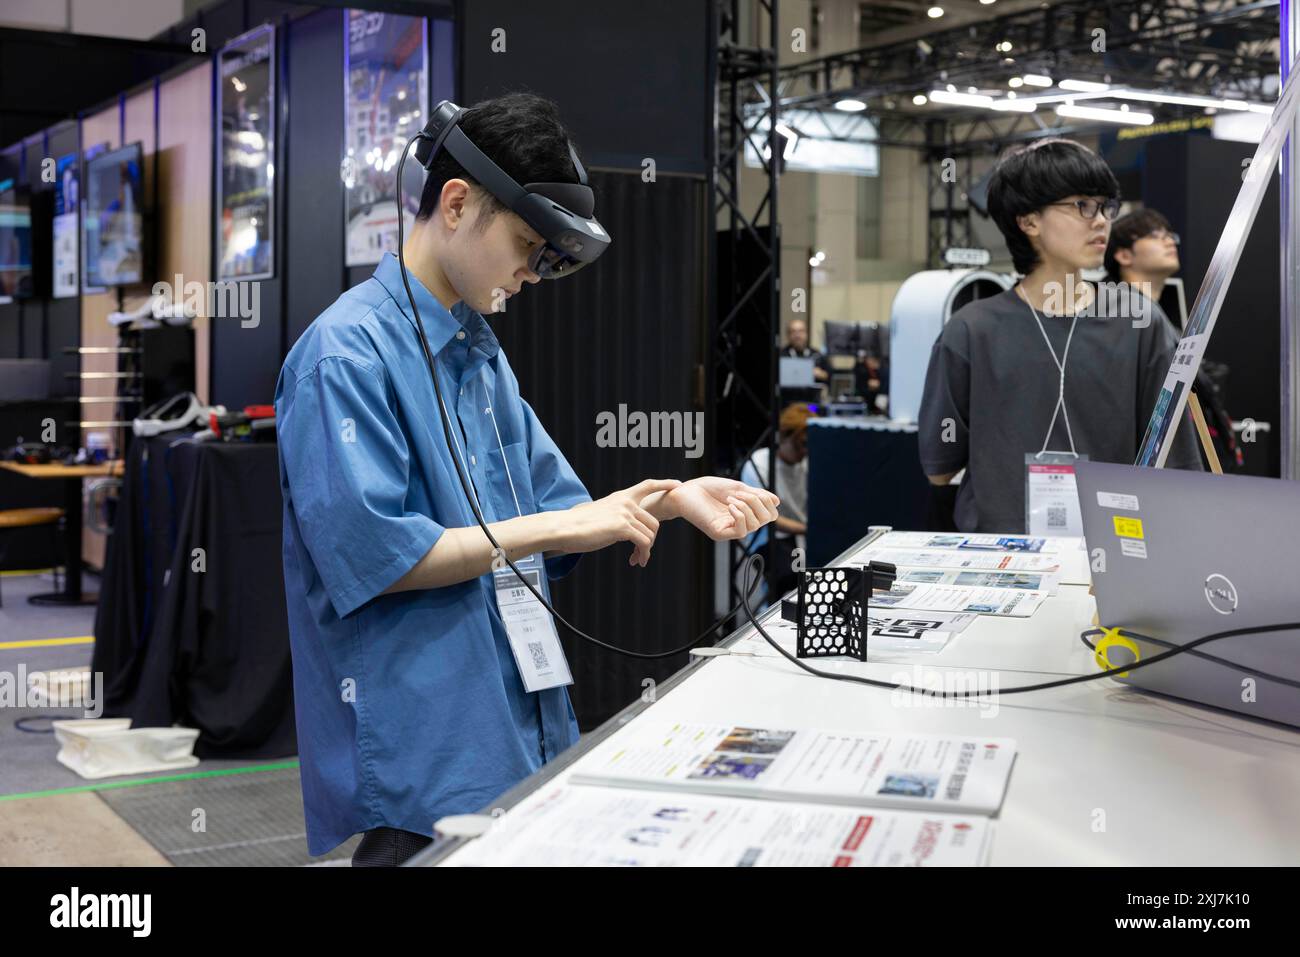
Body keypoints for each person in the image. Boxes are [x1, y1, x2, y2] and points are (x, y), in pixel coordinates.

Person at [275, 93, 780, 866]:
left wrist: (670, 497)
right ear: (455, 203)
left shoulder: (479, 353)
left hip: (521, 726)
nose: (534, 274)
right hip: (430, 757)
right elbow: (383, 559)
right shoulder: (342, 358)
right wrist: (569, 526)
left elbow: (565, 512)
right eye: (525, 244)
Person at [918, 138, 1201, 534]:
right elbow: (940, 464)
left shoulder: (1138, 321)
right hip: (999, 562)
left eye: (1106, 206)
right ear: (1029, 220)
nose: (1101, 219)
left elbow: (1174, 459)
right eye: (1082, 205)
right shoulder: (970, 330)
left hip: (1110, 557)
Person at [739, 403, 817, 602]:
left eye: (808, 445)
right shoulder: (759, 464)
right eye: (800, 444)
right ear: (783, 437)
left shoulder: (807, 464)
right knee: (788, 585)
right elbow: (766, 517)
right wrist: (808, 529)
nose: (804, 451)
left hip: (801, 537)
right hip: (768, 538)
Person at [1103, 207, 1180, 302]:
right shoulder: (1118, 309)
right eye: (1155, 236)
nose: (1170, 242)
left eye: (1170, 236)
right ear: (1124, 256)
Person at [781, 318, 829, 382]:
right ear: (788, 335)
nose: (797, 335)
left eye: (801, 331)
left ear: (807, 333)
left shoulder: (817, 354)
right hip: (787, 391)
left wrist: (820, 374)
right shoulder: (780, 355)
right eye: (793, 331)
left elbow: (829, 375)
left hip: (811, 391)